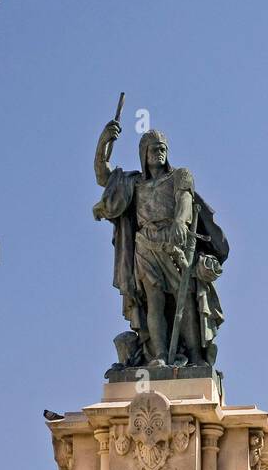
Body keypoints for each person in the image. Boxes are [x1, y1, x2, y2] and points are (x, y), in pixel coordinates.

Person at [93, 121, 228, 370]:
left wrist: (179, 221)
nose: (159, 152)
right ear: (144, 154)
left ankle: (197, 358)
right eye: (154, 148)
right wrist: (104, 142)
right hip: (145, 244)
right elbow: (104, 177)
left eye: (163, 148)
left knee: (184, 299)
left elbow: (185, 200)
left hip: (174, 243)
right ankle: (160, 355)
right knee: (153, 301)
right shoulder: (134, 184)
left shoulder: (180, 175)